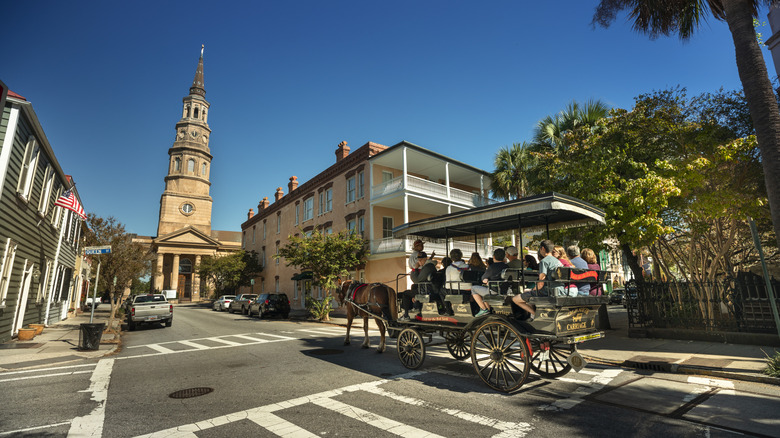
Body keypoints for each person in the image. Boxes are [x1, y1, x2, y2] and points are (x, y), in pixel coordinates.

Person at [470, 248, 508, 317]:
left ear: (494, 257)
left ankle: (484, 309)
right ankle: (488, 309)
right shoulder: (506, 266)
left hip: (494, 291)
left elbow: (483, 278)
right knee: (483, 289)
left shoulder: (492, 267)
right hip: (504, 290)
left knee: (473, 288)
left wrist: (486, 280)